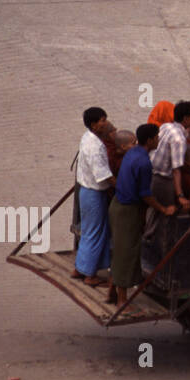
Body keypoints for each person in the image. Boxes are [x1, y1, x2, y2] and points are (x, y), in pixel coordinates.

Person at [108, 125, 172, 307]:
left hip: (117, 205)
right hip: (127, 211)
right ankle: (122, 301)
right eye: (157, 137)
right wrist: (163, 209)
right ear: (150, 140)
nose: (158, 140)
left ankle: (112, 292)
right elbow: (145, 195)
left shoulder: (132, 153)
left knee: (120, 250)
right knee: (127, 253)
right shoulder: (144, 162)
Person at [73, 107, 115, 288]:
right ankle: (89, 275)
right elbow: (103, 175)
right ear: (94, 124)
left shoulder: (87, 138)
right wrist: (120, 186)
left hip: (86, 192)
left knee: (88, 231)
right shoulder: (95, 147)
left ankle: (80, 267)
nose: (105, 123)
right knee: (95, 233)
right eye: (102, 121)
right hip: (94, 194)